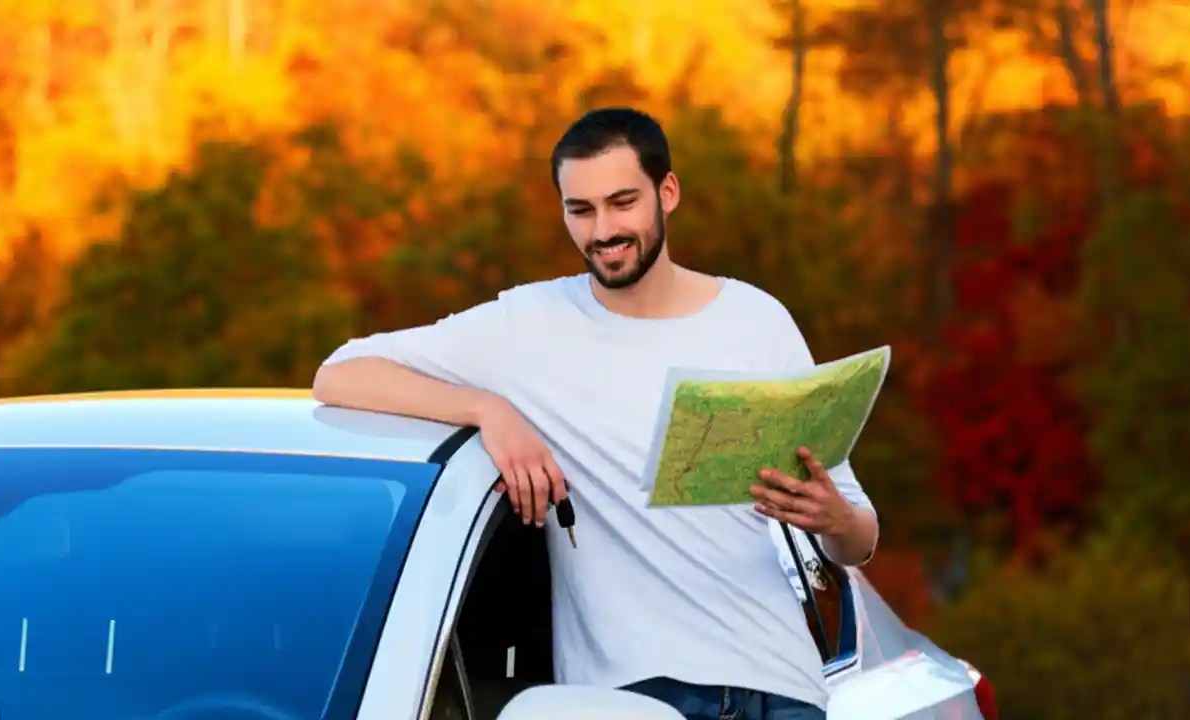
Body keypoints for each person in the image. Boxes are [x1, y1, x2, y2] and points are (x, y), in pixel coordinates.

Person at [312, 107, 880, 720]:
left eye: (622, 202)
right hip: (626, 699)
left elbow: (859, 539)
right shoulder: (529, 326)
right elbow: (340, 373)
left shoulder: (757, 321)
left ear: (668, 192)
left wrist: (834, 517)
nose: (602, 229)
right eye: (580, 210)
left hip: (784, 688)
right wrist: (488, 409)